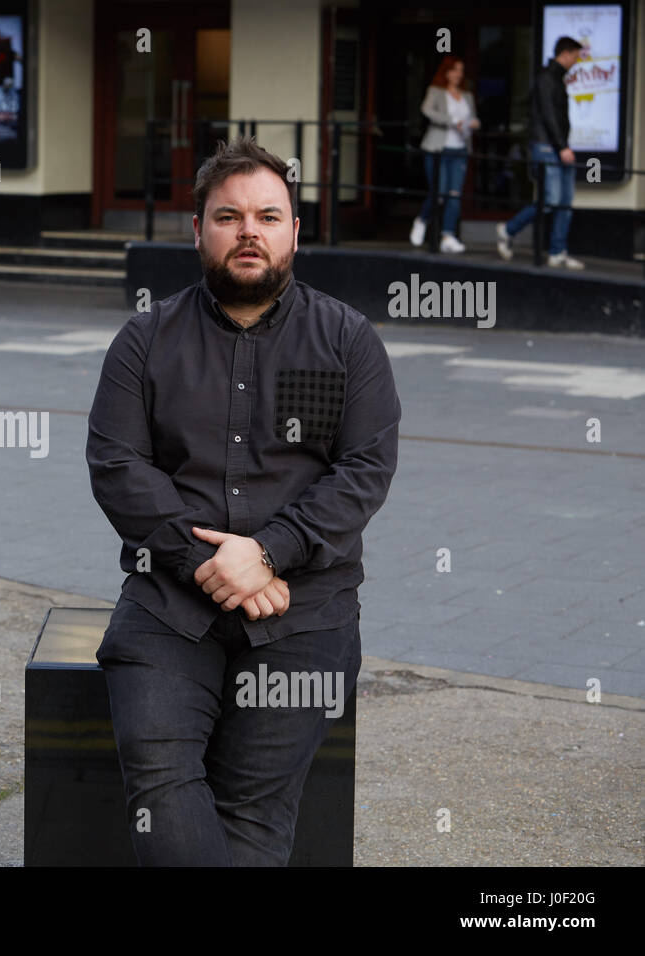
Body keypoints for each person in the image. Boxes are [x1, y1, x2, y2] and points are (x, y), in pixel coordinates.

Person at [86, 136, 401, 866]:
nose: (249, 231)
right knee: (161, 780)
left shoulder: (349, 341)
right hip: (168, 603)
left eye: (268, 215)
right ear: (197, 231)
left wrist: (266, 553)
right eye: (228, 216)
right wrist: (212, 563)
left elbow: (364, 469)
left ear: (295, 230)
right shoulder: (144, 339)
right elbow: (117, 464)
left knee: (254, 806)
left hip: (304, 610)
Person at [497, 36, 585, 270]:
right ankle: (508, 229)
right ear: (565, 54)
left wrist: (562, 145)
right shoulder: (547, 79)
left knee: (564, 202)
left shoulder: (556, 79)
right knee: (550, 200)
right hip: (547, 147)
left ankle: (557, 252)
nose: (576, 61)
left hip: (555, 146)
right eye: (575, 56)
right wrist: (562, 146)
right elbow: (548, 115)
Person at [410, 55, 479, 253]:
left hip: (460, 149)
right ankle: (422, 220)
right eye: (455, 70)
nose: (458, 74)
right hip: (438, 149)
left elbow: (474, 117)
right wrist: (451, 120)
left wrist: (474, 123)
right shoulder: (436, 91)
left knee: (454, 195)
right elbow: (426, 110)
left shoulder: (467, 95)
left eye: (461, 70)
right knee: (439, 192)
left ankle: (448, 235)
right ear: (446, 72)